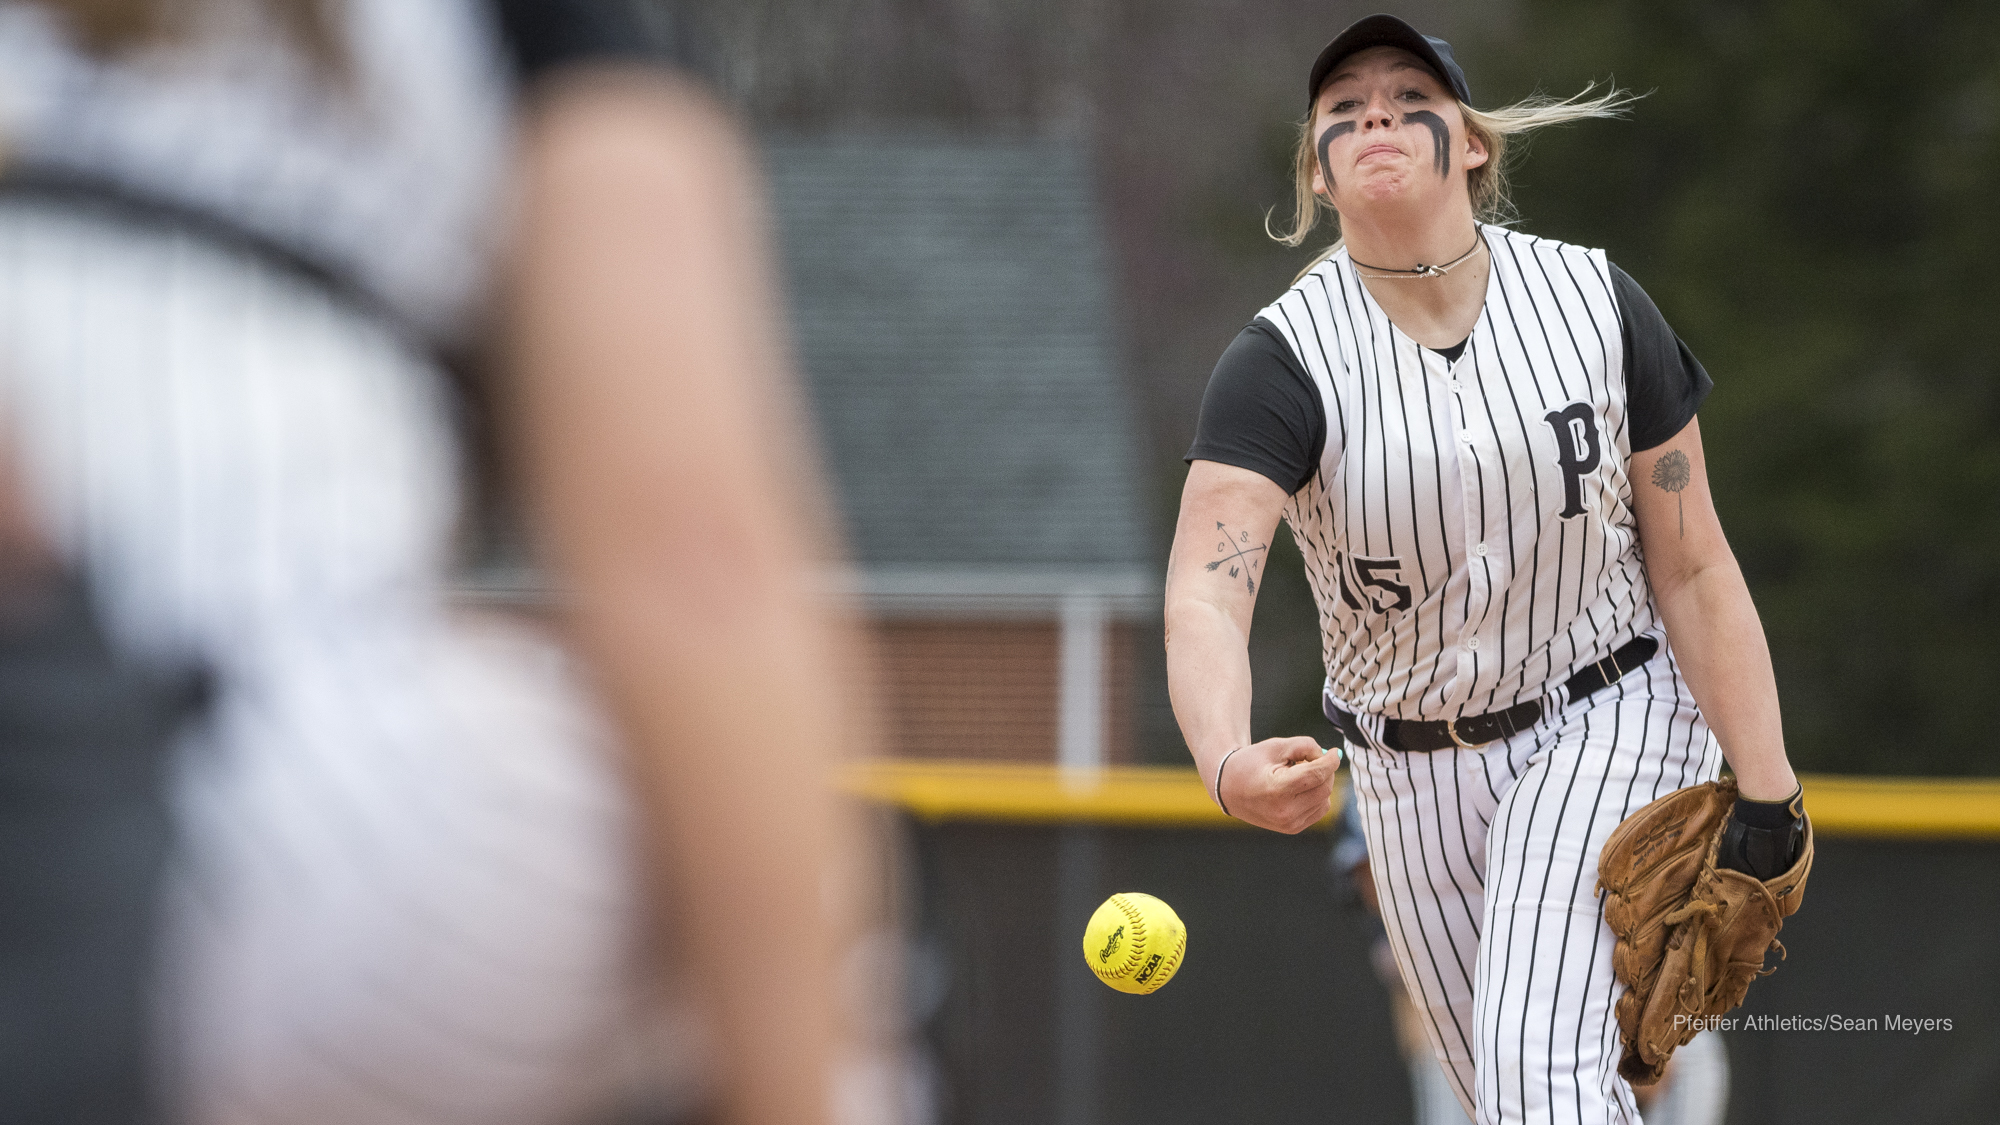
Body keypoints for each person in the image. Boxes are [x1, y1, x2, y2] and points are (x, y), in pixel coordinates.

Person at [0, 2, 882, 1123]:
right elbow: (690, 550)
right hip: (322, 811)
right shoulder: (517, 34)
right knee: (789, 918)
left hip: (84, 710)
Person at [1163, 14, 1808, 1125]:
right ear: (1316, 175)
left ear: (1470, 144)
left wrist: (1768, 785)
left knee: (1531, 1072)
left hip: (1604, 712)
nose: (1371, 109)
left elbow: (1693, 562)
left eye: (1405, 91)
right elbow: (1206, 588)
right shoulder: (1280, 361)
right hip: (1406, 779)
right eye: (1339, 106)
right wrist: (1221, 756)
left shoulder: (1594, 303)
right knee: (1507, 1100)